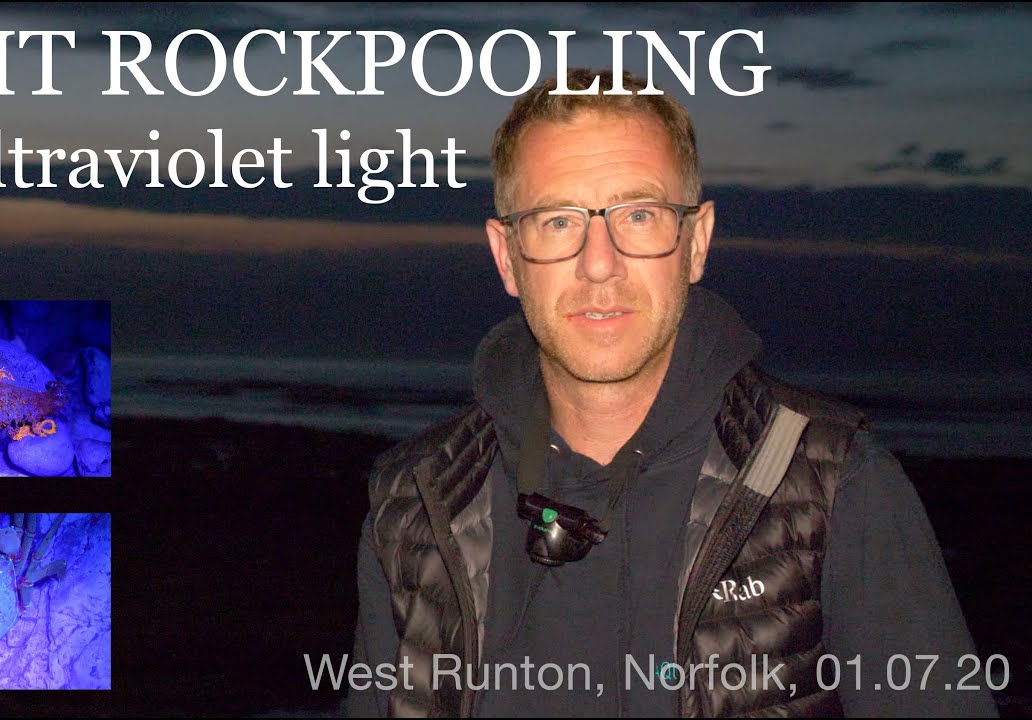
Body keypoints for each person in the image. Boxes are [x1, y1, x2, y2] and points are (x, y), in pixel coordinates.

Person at [346, 69, 996, 717]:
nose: (599, 262)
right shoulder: (416, 502)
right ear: (505, 255)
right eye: (556, 221)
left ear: (696, 242)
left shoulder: (832, 486)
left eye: (639, 214)